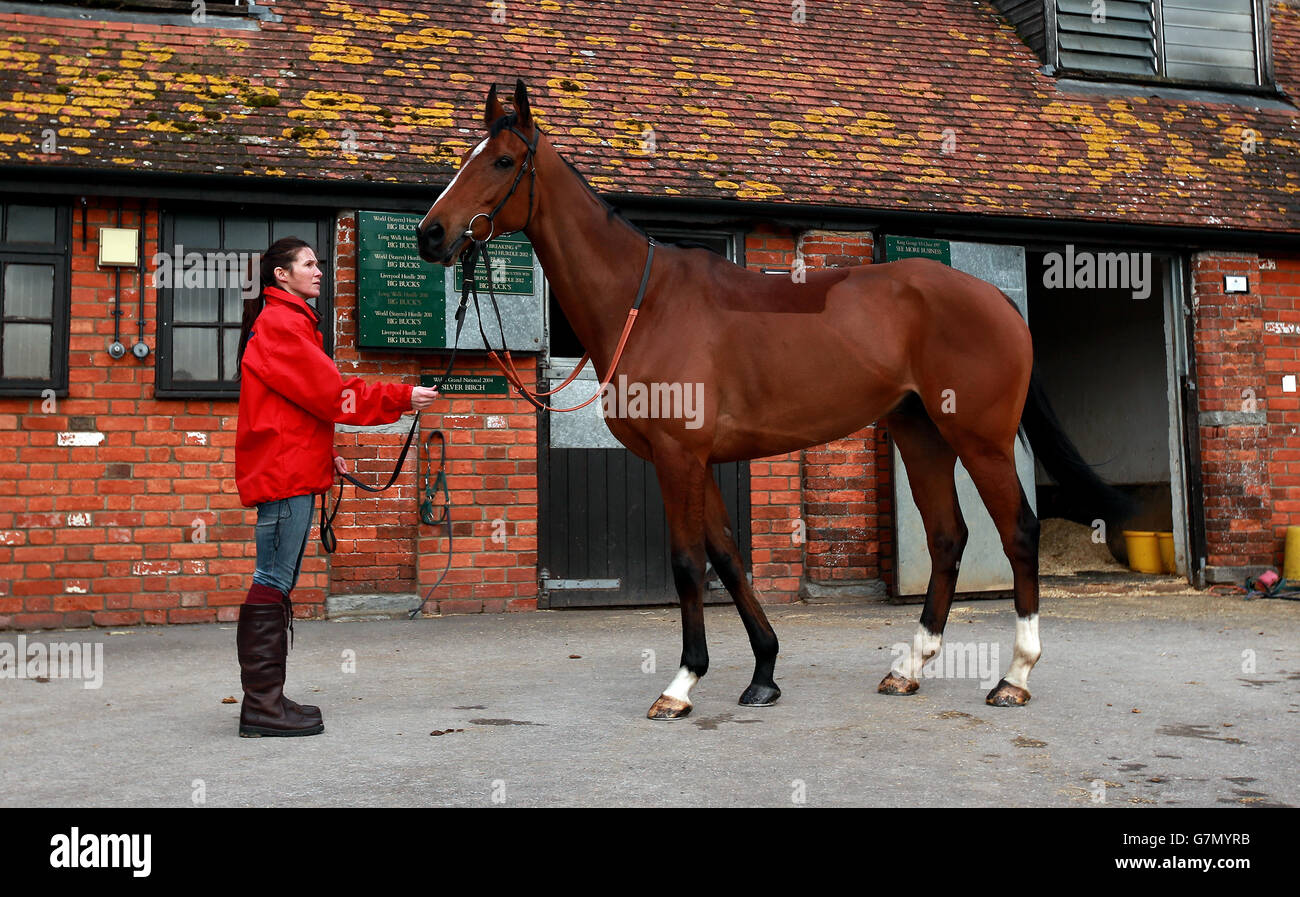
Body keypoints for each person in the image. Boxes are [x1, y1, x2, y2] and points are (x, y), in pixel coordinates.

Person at [233, 237, 437, 737]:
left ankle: (267, 701)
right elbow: (334, 396)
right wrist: (403, 396)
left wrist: (326, 456)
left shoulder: (289, 322)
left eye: (318, 262)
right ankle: (261, 707)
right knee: (272, 582)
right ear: (282, 275)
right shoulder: (281, 325)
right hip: (285, 477)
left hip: (291, 468)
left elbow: (295, 410)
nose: (319, 270)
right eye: (308, 264)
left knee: (275, 583)